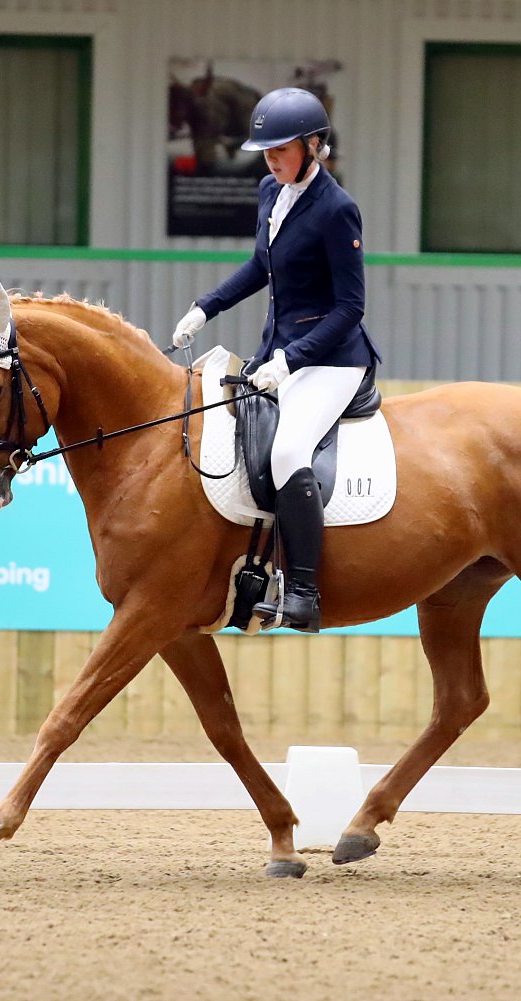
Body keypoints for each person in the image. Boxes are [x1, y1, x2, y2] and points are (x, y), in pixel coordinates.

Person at [171, 86, 381, 633]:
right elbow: (260, 266)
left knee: (288, 451)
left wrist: (291, 360)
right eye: (265, 150)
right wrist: (205, 307)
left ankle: (304, 593)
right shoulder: (271, 191)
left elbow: (351, 308)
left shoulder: (337, 209)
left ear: (313, 145)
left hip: (333, 360)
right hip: (281, 352)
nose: (270, 159)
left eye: (281, 149)